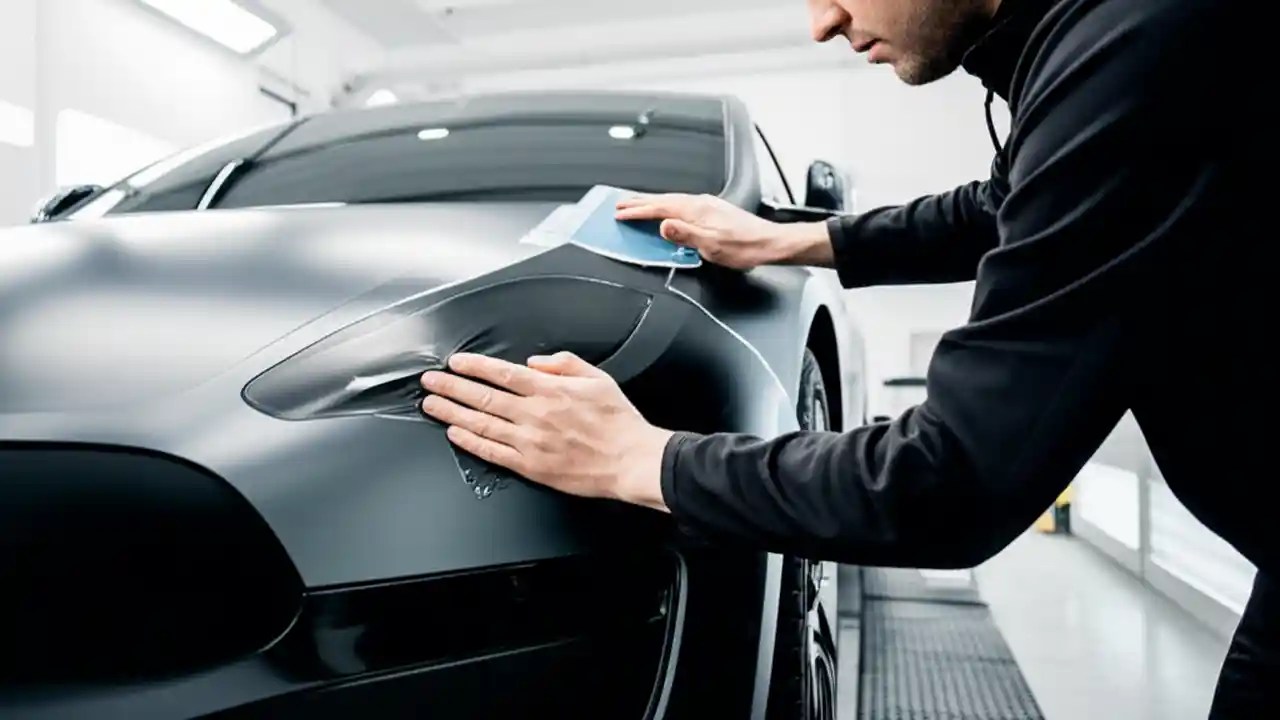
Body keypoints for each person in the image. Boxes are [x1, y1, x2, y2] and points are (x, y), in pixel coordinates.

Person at [419, 0, 1273, 715]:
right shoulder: (1114, 40)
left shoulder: (1139, 55)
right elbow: (1006, 205)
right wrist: (787, 239)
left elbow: (951, 482)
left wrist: (639, 458)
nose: (824, 21)